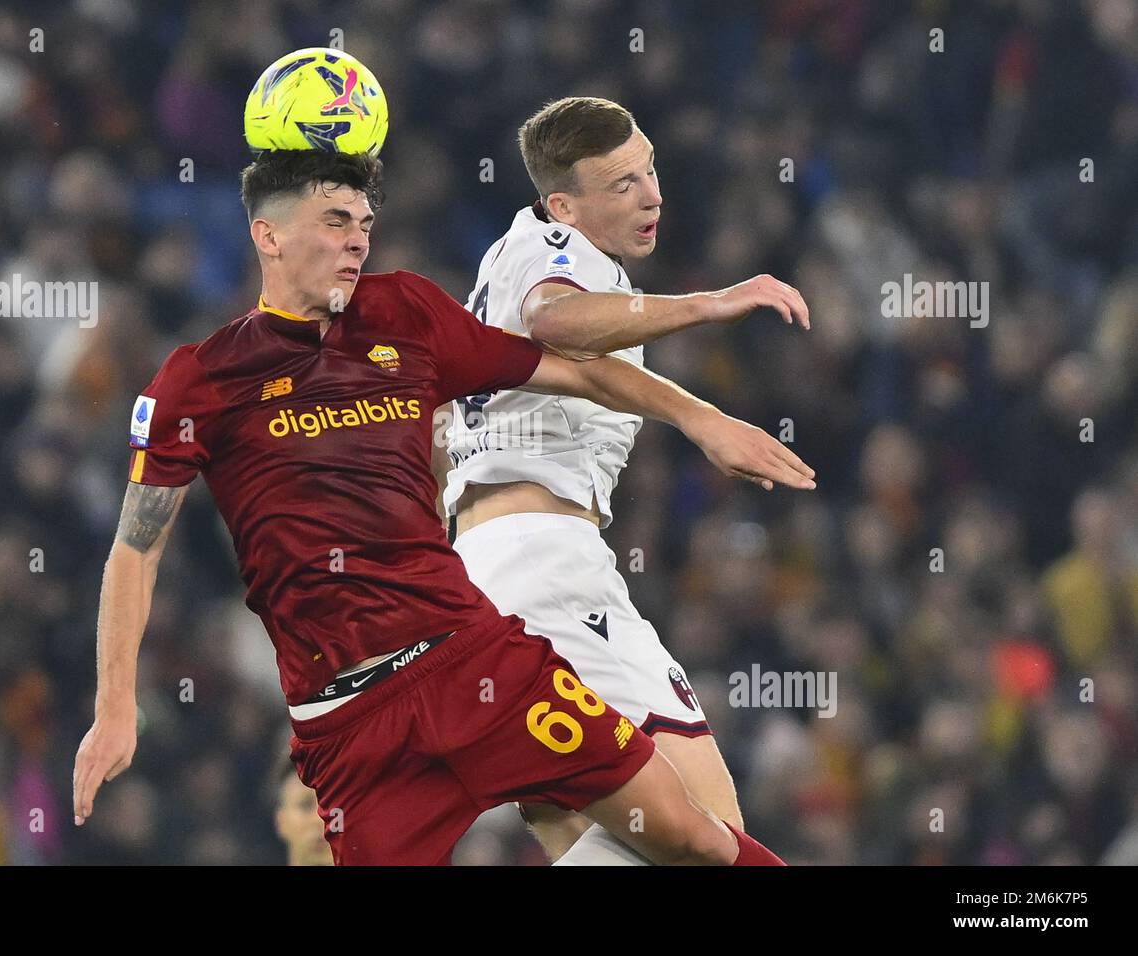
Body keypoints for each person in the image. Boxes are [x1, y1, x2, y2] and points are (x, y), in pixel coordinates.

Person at [72, 147, 814, 865]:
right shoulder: (199, 380)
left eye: (364, 222)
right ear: (268, 234)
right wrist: (113, 706)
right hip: (349, 727)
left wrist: (701, 419)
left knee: (694, 836)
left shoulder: (403, 314)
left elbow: (578, 374)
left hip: (469, 658)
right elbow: (137, 548)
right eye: (335, 221)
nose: (357, 239)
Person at [440, 96, 812, 864]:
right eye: (622, 185)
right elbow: (556, 319)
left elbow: (556, 377)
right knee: (713, 832)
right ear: (562, 205)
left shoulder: (502, 271)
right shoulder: (547, 249)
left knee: (597, 836)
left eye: (651, 170)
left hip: (480, 582)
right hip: (547, 571)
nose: (653, 196)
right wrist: (709, 310)